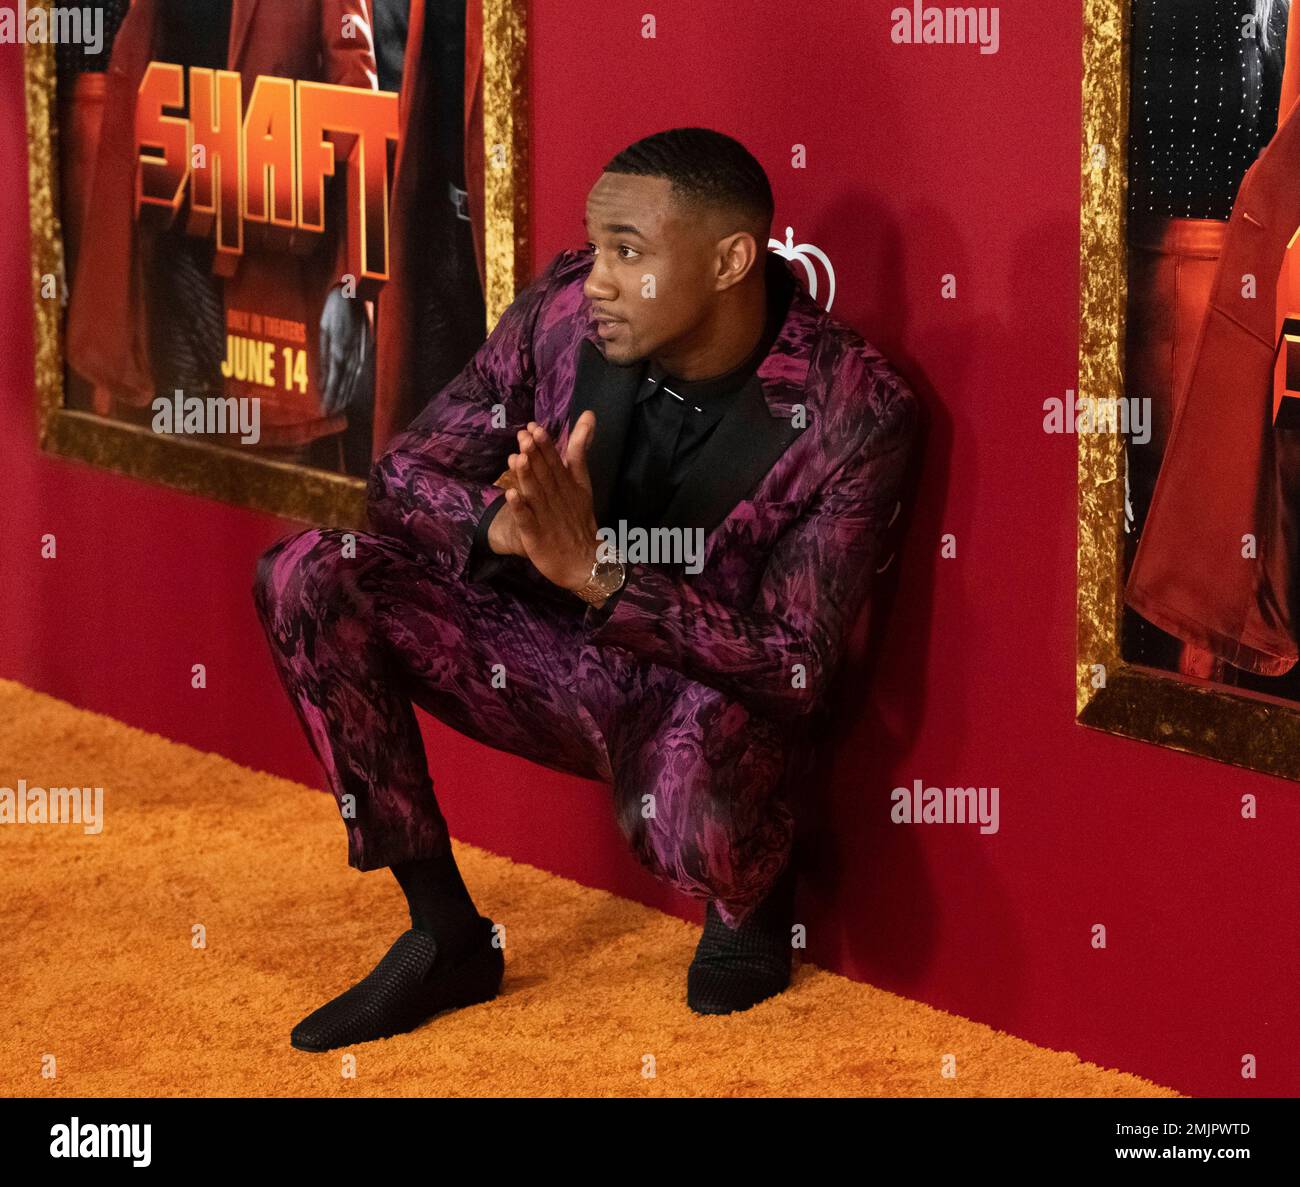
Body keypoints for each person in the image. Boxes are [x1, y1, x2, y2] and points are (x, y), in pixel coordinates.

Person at [252, 127, 919, 1052]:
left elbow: (798, 669)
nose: (596, 275)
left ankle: (752, 889)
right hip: (538, 653)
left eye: (629, 252)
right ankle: (445, 932)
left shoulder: (851, 407)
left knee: (698, 813)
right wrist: (503, 530)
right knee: (306, 572)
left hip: (694, 702)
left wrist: (601, 576)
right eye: (596, 244)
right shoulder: (566, 310)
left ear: (731, 259)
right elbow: (400, 478)